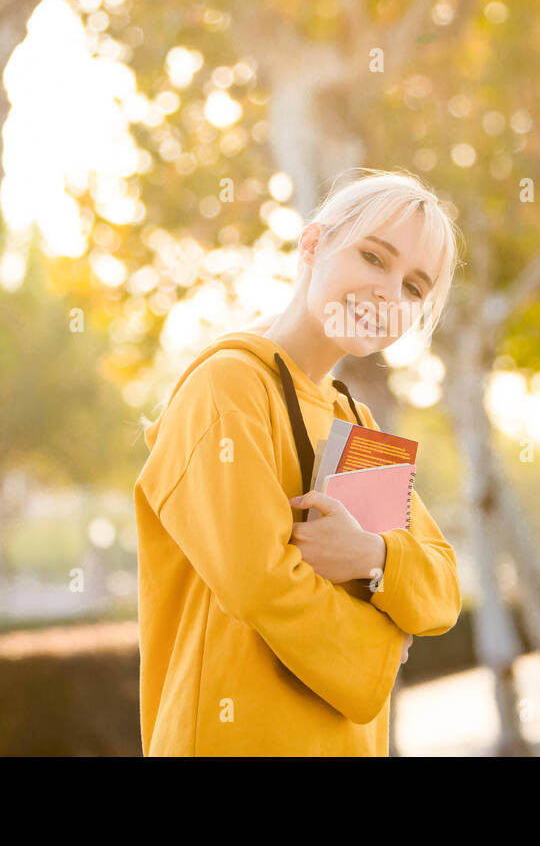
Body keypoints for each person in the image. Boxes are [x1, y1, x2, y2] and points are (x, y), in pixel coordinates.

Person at [134, 168, 463, 755]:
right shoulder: (226, 385)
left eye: (415, 287)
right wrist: (384, 643)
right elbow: (259, 583)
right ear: (313, 245)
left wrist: (374, 555)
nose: (390, 293)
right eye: (373, 257)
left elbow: (441, 585)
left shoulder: (356, 421)